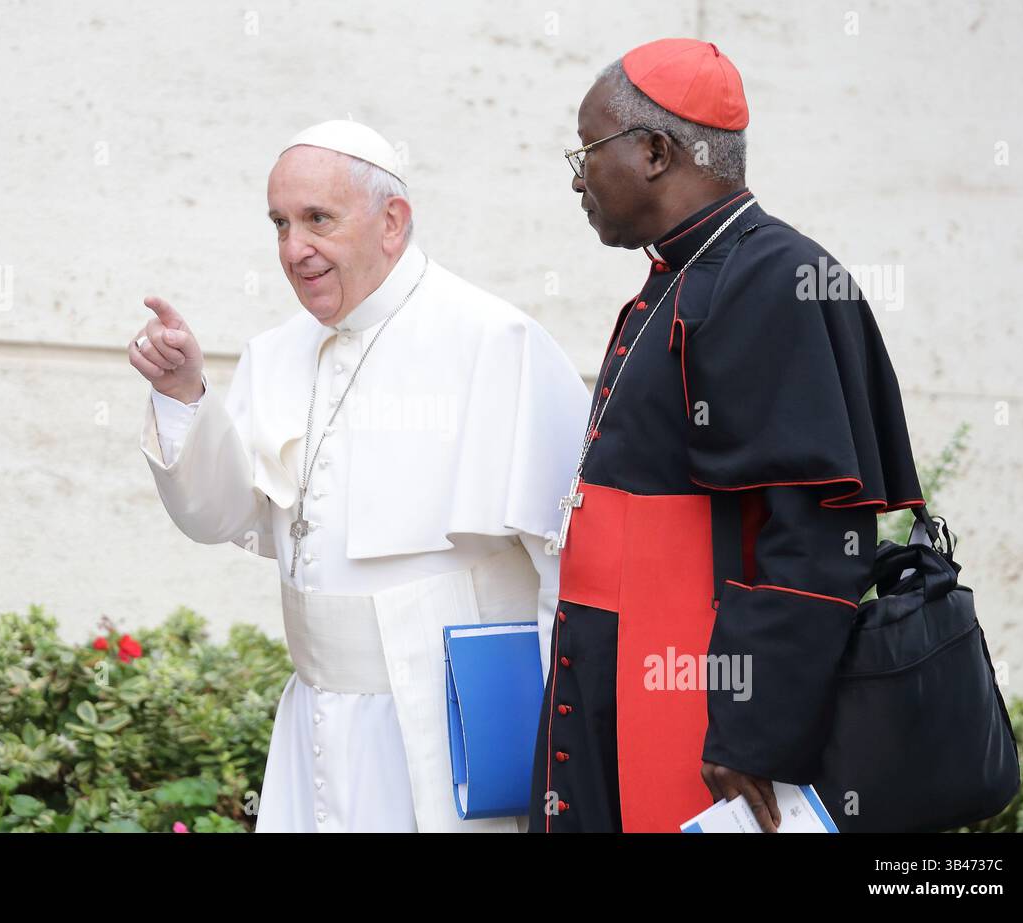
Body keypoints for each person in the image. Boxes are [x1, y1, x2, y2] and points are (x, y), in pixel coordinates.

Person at [130, 119, 590, 832]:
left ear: (392, 221)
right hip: (316, 711)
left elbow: (571, 567)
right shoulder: (276, 351)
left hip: (446, 728)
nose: (293, 249)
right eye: (280, 224)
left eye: (318, 219)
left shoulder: (495, 340)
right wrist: (186, 394)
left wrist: (561, 751)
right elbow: (219, 517)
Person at [529, 38, 924, 833]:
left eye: (587, 149)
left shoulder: (773, 279)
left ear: (653, 150)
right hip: (611, 682)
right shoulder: (681, 275)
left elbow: (814, 537)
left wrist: (755, 727)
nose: (577, 176)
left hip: (688, 706)